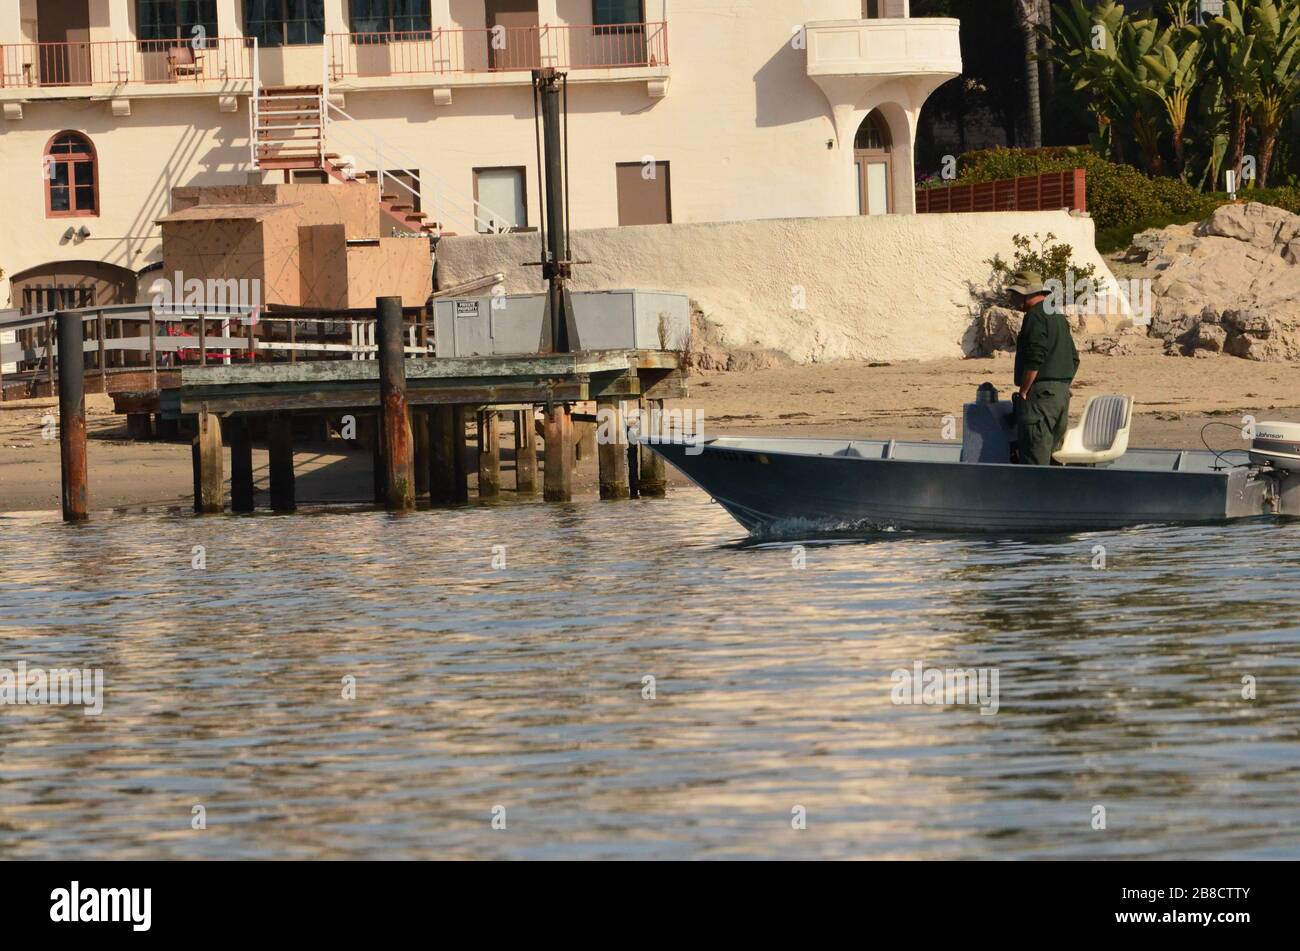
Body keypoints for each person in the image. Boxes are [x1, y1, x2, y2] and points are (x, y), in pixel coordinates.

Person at [1008, 269, 1079, 466]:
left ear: (1025, 293)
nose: (1012, 299)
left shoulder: (1035, 316)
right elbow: (1074, 358)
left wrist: (1024, 391)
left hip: (1040, 396)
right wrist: (1060, 387)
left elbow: (1034, 357)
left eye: (1014, 294)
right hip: (1061, 395)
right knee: (1054, 457)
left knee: (1034, 458)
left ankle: (1035, 496)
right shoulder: (1055, 313)